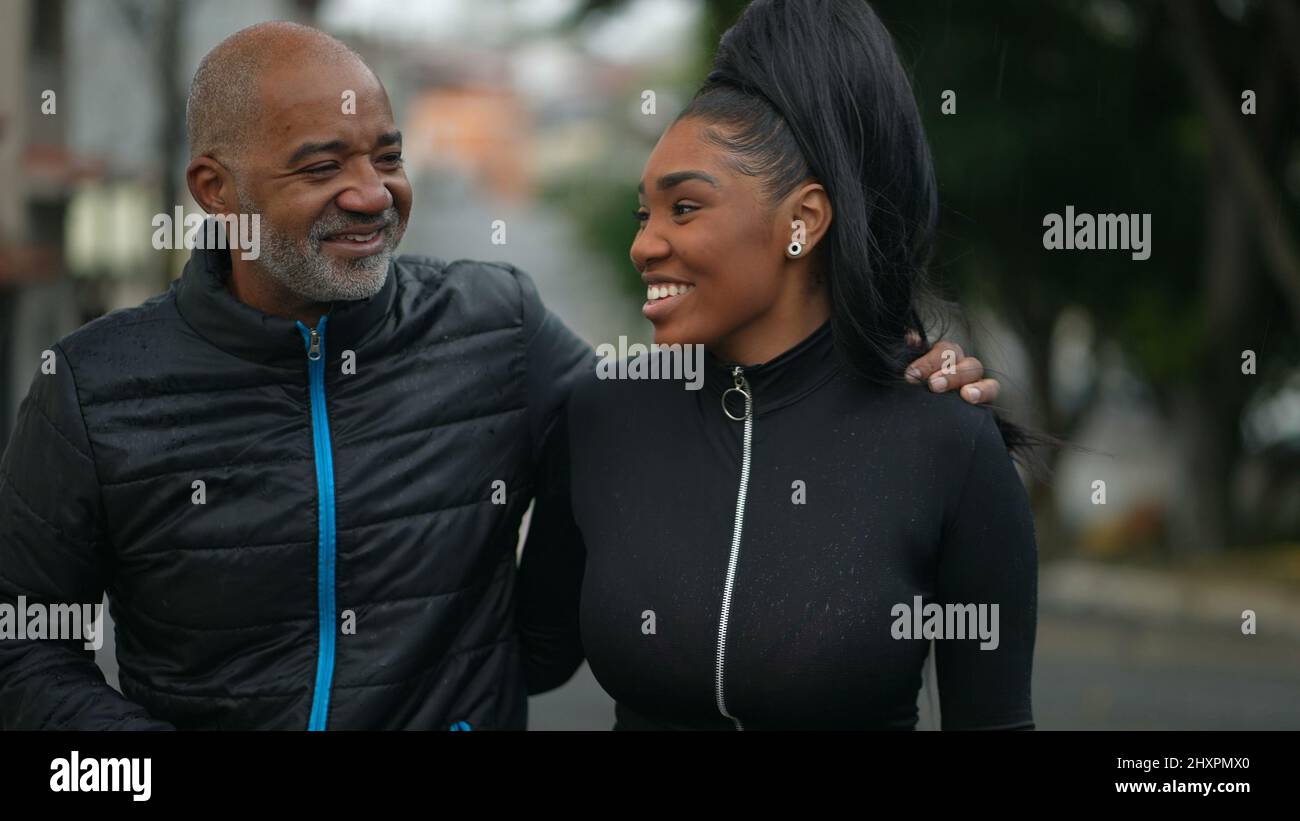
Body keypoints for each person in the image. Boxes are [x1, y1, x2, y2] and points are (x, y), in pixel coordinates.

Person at [0, 20, 997, 730]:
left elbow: (688, 416)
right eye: (319, 166)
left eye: (386, 155)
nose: (369, 193)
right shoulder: (93, 387)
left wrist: (894, 371)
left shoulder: (496, 323)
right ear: (215, 190)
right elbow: (23, 651)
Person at [555, 0, 1039, 730]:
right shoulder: (600, 413)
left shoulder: (948, 444)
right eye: (643, 215)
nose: (644, 245)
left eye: (683, 208)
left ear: (803, 222)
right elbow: (518, 651)